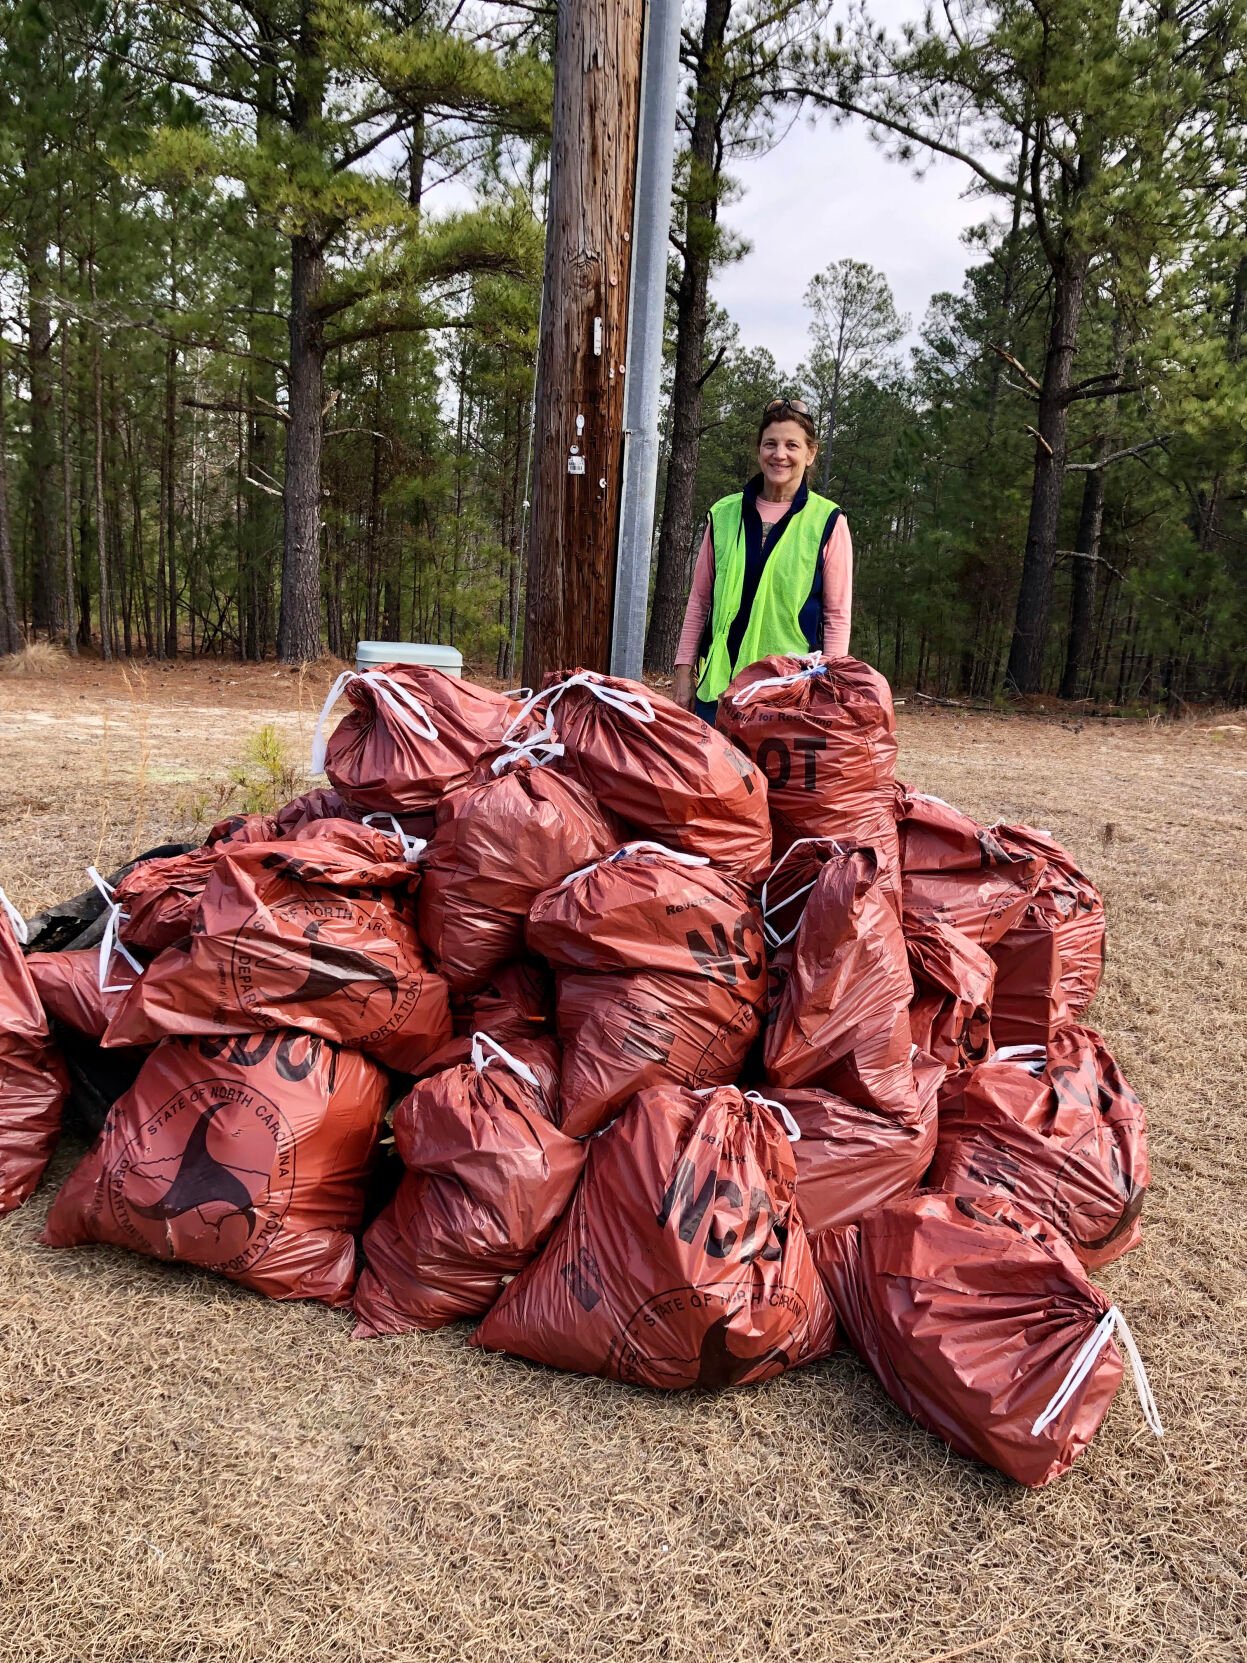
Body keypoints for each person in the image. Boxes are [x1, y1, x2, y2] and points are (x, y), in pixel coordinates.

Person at [672, 397, 852, 721]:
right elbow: (699, 602)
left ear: (810, 453)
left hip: (788, 697)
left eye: (792, 445)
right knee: (713, 774)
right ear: (759, 450)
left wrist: (830, 689)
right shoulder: (724, 515)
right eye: (771, 443)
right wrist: (683, 672)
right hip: (718, 692)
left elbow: (836, 616)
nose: (779, 454)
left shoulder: (828, 522)